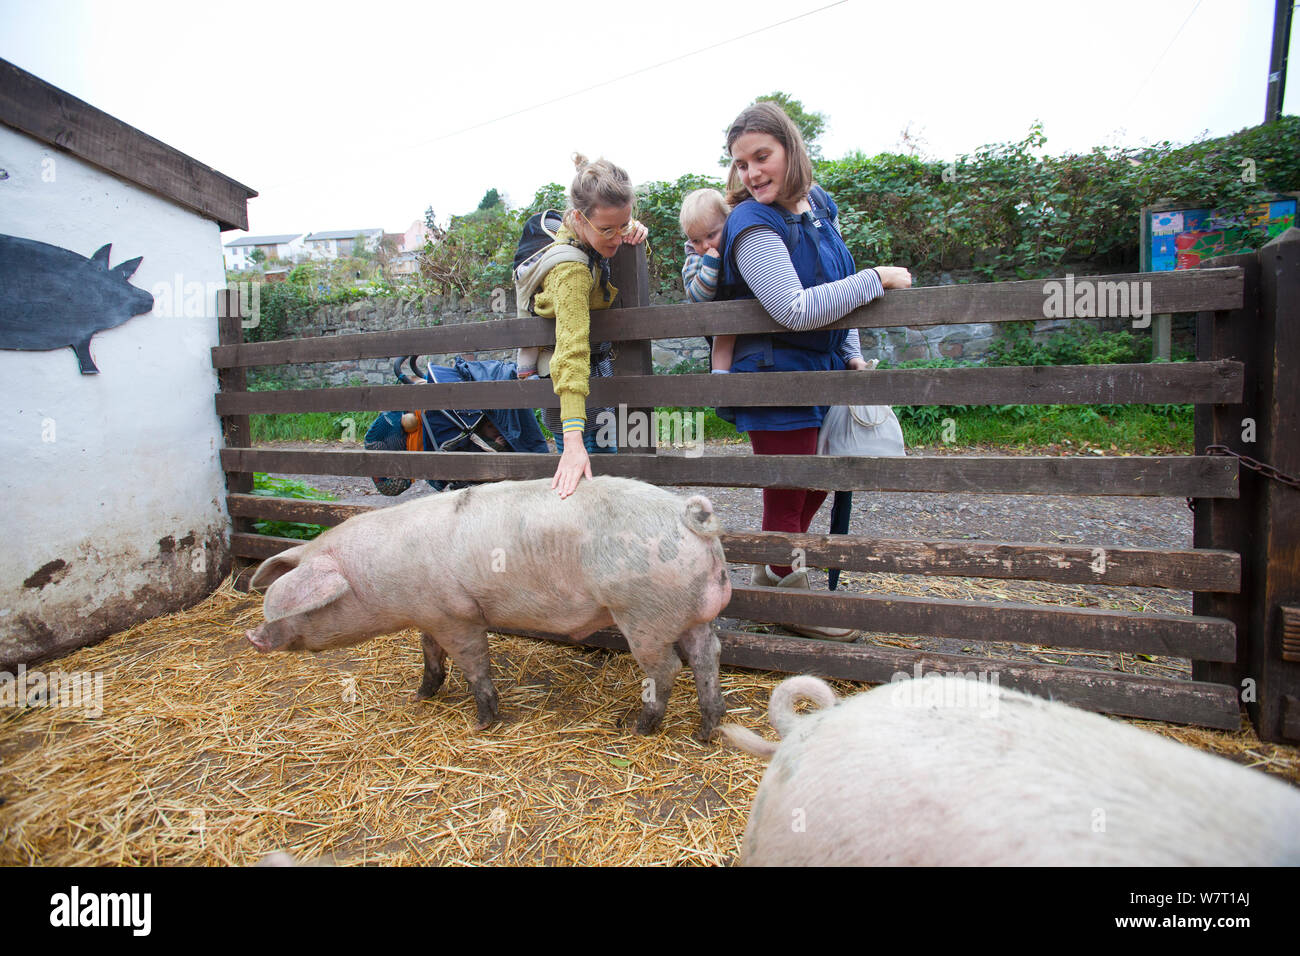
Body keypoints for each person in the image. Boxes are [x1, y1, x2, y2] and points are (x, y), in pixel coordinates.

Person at [717, 102, 912, 640]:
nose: (751, 173)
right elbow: (793, 308)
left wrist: (850, 350)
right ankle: (792, 601)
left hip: (825, 367)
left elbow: (839, 283)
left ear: (791, 150)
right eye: (741, 163)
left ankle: (769, 573)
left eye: (762, 157)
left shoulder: (820, 204)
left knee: (819, 482)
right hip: (776, 374)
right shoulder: (749, 222)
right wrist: (878, 277)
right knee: (790, 489)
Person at [513, 153, 648, 499]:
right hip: (571, 393)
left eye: (625, 224)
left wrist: (633, 230)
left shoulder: (588, 234)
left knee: (607, 483)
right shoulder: (571, 273)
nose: (618, 237)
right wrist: (573, 441)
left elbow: (614, 225)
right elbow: (570, 351)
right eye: (607, 229)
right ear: (577, 218)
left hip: (595, 380)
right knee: (589, 490)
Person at [679, 188, 735, 372]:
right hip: (718, 321)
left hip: (743, 321)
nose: (705, 245)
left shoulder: (734, 245)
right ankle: (720, 392)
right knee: (722, 337)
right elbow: (697, 296)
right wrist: (709, 265)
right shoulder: (695, 259)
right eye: (695, 240)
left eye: (711, 235)